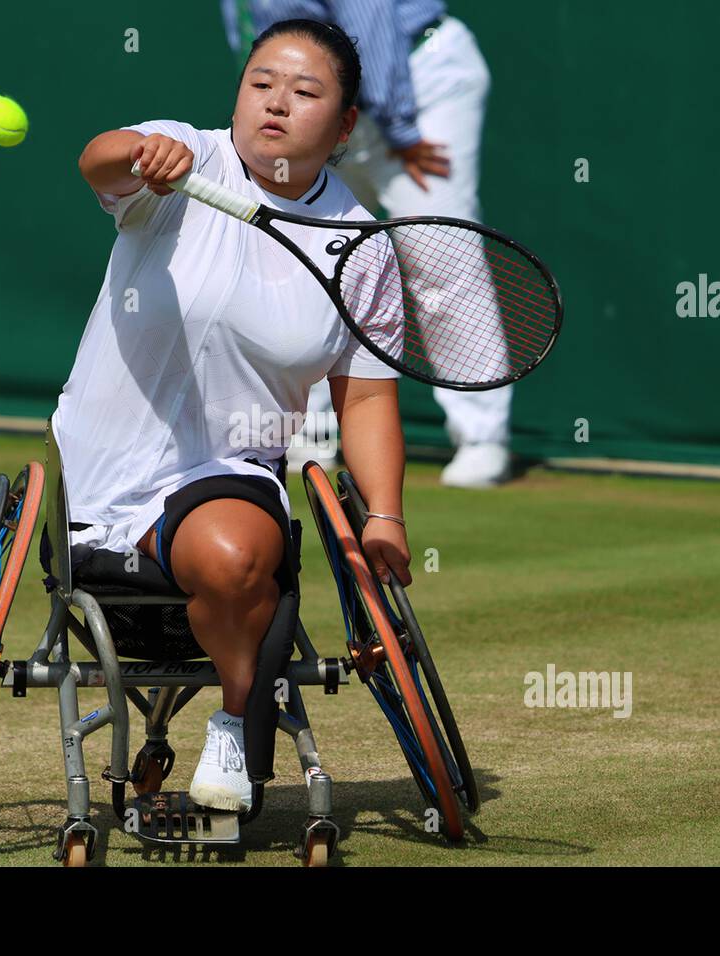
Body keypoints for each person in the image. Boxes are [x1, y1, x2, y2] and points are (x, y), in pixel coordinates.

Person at [54, 19, 412, 812]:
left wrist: (383, 514)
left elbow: (369, 396)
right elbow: (98, 159)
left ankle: (232, 719)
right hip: (99, 470)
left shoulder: (361, 247)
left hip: (225, 477)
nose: (276, 104)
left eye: (305, 91)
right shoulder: (189, 155)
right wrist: (143, 158)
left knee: (236, 552)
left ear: (346, 124)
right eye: (261, 83)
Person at [223, 0, 512, 486]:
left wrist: (400, 127)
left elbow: (370, 16)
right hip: (324, 100)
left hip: (415, 83)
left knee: (436, 252)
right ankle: (305, 430)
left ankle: (482, 436)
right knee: (300, 250)